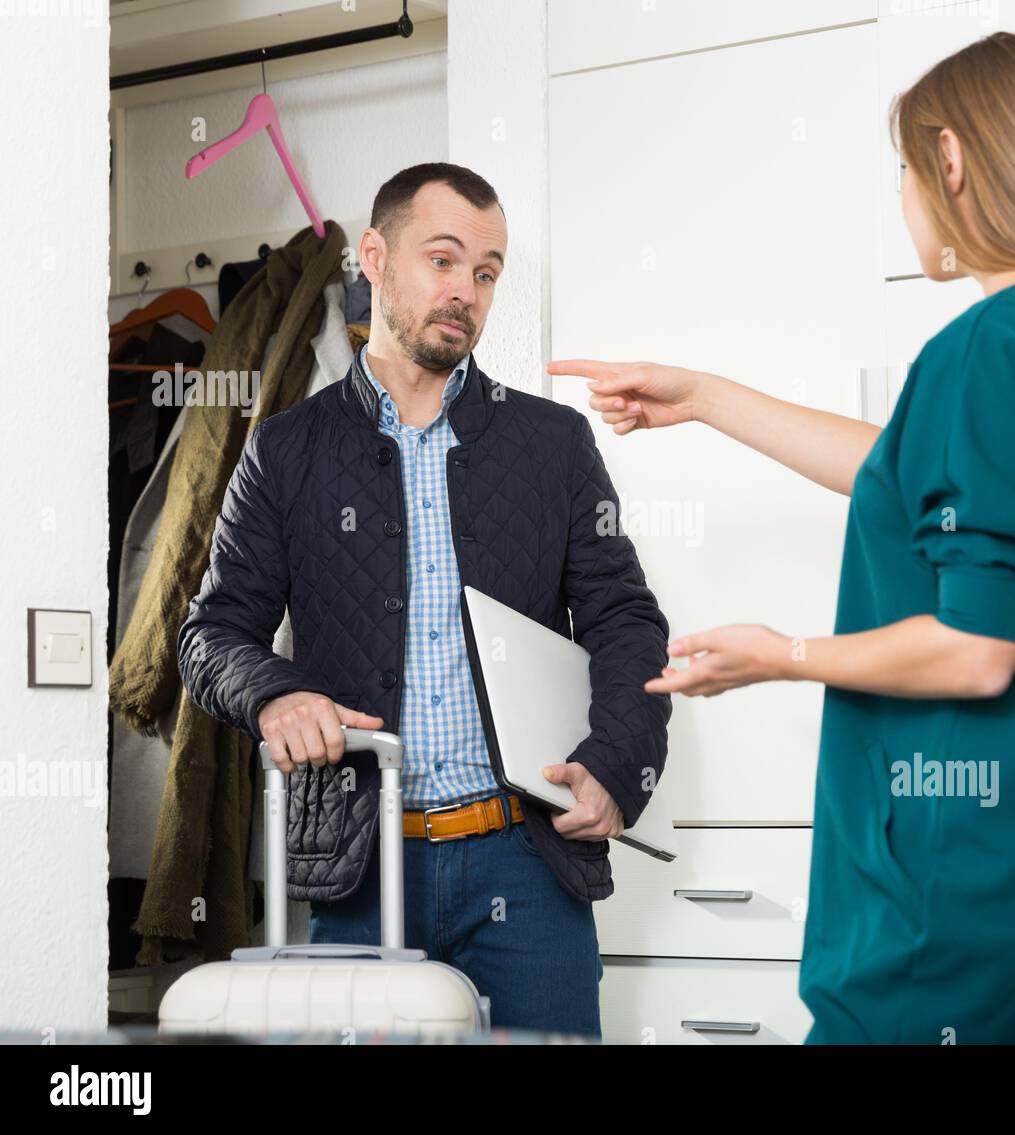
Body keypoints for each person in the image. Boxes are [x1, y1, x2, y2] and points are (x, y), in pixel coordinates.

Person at [549, 32, 1015, 1044]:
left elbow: (978, 650)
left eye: (902, 169)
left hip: (984, 883)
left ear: (949, 162)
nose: (902, 197)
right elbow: (925, 481)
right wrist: (709, 396)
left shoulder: (991, 341)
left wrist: (781, 655)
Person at [178, 163, 671, 1038]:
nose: (466, 292)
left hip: (528, 865)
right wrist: (276, 692)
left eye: (486, 271)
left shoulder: (553, 444)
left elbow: (625, 621)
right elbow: (212, 633)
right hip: (362, 869)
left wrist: (617, 761)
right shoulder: (285, 451)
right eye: (442, 261)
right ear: (374, 256)